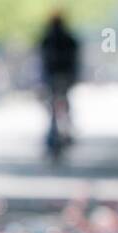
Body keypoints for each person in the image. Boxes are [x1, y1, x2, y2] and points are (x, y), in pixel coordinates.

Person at [40, 13, 80, 155]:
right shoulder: (69, 39)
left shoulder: (47, 39)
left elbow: (42, 62)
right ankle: (67, 131)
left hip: (51, 78)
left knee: (53, 107)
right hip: (65, 77)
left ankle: (55, 134)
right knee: (64, 105)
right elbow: (75, 61)